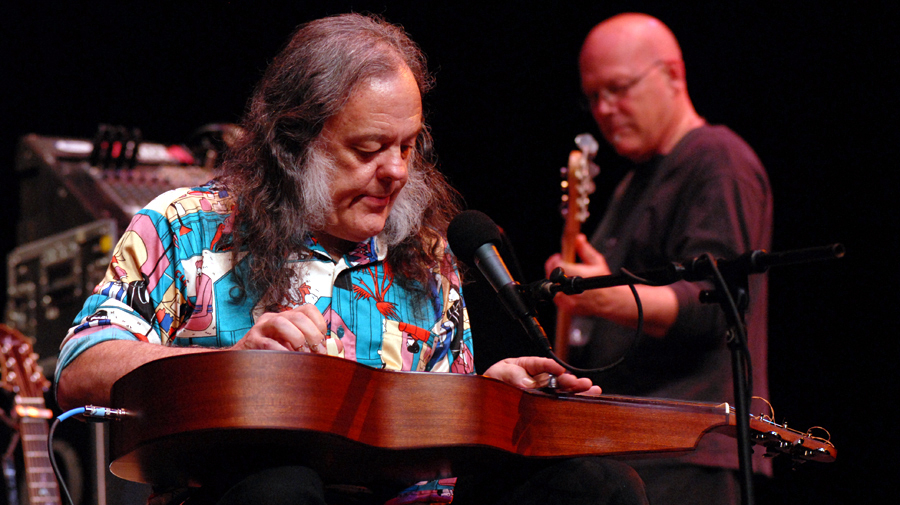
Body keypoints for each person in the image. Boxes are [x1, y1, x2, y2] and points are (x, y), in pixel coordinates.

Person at [55, 13, 647, 505]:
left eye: (407, 146)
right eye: (368, 149)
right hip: (242, 493)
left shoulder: (423, 252)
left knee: (597, 485)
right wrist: (226, 367)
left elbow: (441, 433)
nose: (395, 171)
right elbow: (81, 366)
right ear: (293, 145)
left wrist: (487, 399)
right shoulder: (187, 224)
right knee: (281, 487)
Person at [544, 13, 773, 505]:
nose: (605, 109)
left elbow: (716, 306)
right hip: (637, 448)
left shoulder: (718, 160)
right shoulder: (634, 182)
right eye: (594, 97)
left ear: (673, 75)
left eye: (619, 88)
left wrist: (600, 296)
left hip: (688, 449)